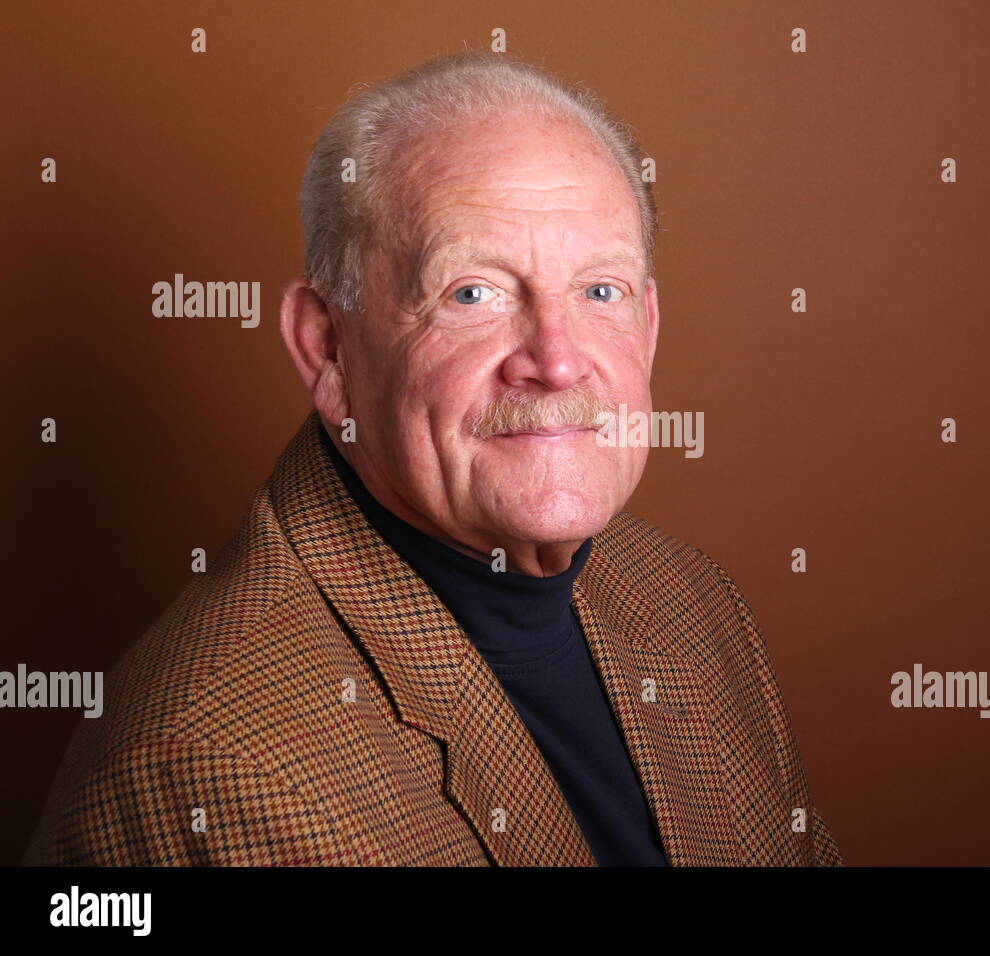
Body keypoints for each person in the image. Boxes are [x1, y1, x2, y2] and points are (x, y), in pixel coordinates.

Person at [23, 50, 842, 866]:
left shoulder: (693, 604)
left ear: (650, 324)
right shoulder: (208, 768)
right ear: (328, 346)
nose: (556, 362)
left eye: (600, 291)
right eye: (473, 293)